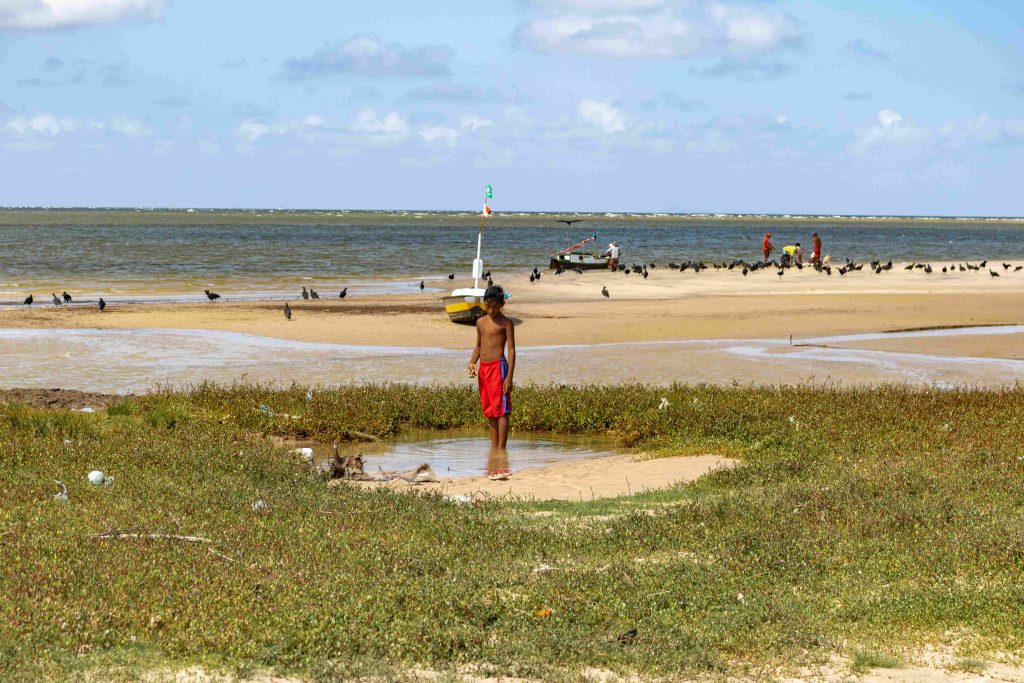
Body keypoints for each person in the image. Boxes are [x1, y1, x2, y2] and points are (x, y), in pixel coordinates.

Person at [468, 285, 516, 477]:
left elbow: (511, 350)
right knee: (489, 410)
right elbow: (478, 346)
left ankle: (501, 452)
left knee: (502, 410)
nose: (491, 310)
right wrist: (472, 362)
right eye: (488, 306)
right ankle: (494, 450)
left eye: (495, 306)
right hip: (484, 371)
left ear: (502, 304)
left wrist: (509, 376)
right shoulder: (480, 322)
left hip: (499, 368)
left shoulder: (506, 323)